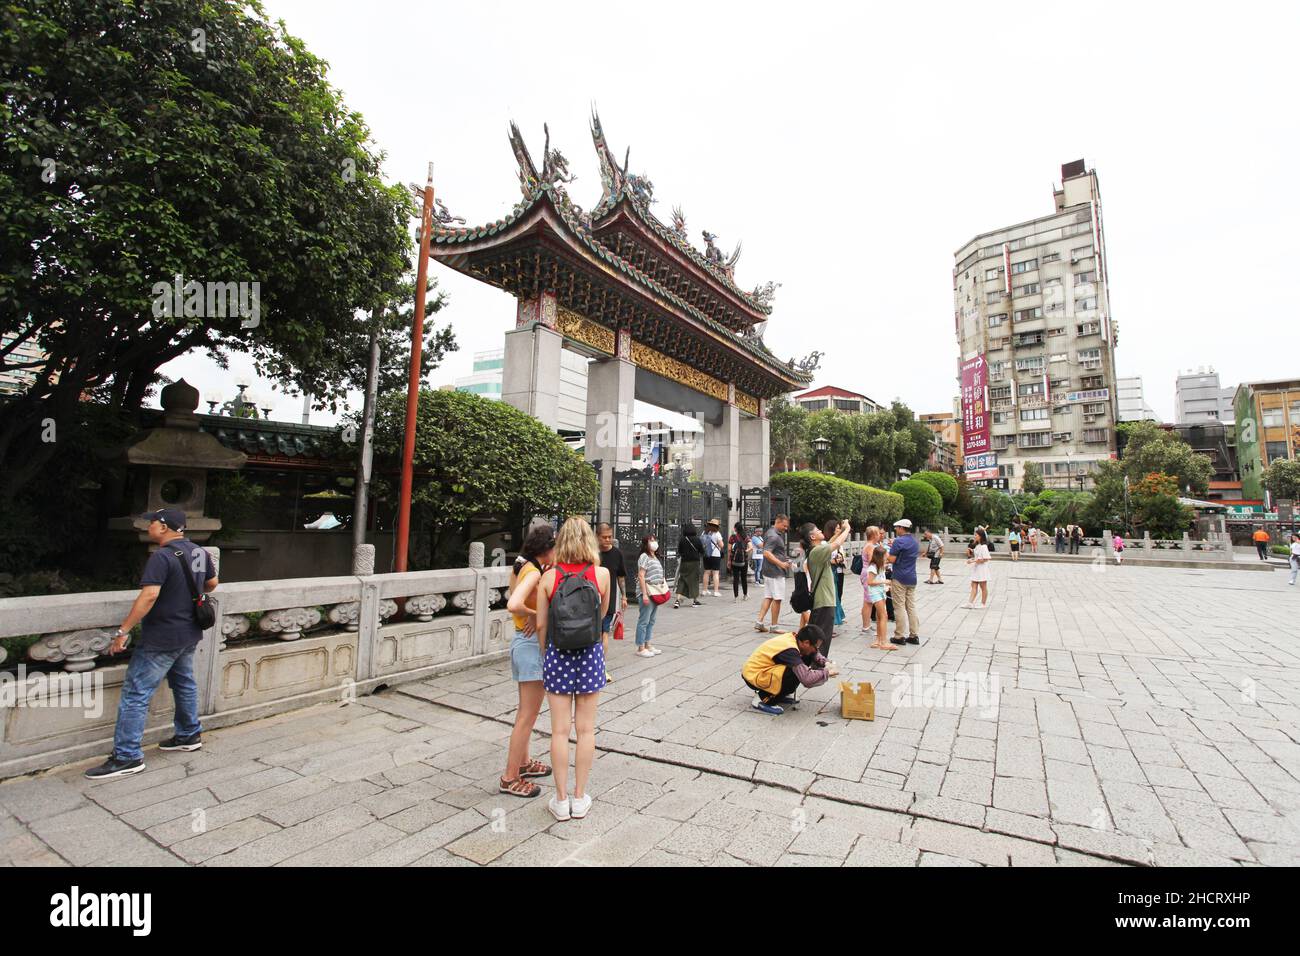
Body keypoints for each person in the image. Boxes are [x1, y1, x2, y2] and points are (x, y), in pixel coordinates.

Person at [87, 509, 216, 779]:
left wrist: (123, 630)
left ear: (165, 527)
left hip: (162, 636)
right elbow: (211, 584)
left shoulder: (162, 556)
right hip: (189, 632)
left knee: (136, 693)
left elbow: (149, 596)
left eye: (152, 523)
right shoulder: (200, 553)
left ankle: (127, 756)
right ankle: (188, 735)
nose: (149, 527)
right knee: (184, 682)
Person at [534, 516, 610, 822]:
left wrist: (546, 652)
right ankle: (580, 797)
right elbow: (601, 616)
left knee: (559, 730)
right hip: (590, 656)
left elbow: (541, 624)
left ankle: (561, 799)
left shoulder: (548, 577)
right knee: (586, 729)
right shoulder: (601, 574)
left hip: (558, 655)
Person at [500, 525, 557, 798]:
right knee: (527, 715)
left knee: (526, 712)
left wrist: (530, 614)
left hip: (523, 643)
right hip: (531, 646)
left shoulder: (522, 567)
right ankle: (510, 777)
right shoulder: (534, 572)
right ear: (548, 549)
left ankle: (523, 763)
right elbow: (514, 604)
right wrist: (536, 613)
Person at [741, 624, 838, 715]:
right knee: (793, 672)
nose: (816, 649)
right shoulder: (790, 650)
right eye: (816, 646)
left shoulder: (797, 639)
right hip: (753, 675)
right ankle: (762, 698)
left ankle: (780, 693)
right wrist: (827, 672)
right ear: (806, 642)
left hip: (763, 671)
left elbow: (815, 654)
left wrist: (826, 662)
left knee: (807, 656)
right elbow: (807, 679)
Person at [800, 517, 852, 659]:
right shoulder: (816, 551)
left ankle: (813, 663)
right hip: (823, 601)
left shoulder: (816, 549)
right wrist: (847, 529)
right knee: (822, 637)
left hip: (824, 600)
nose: (821, 531)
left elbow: (830, 542)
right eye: (817, 530)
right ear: (812, 537)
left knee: (818, 635)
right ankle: (818, 665)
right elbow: (836, 543)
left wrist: (840, 530)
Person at [595, 522, 627, 684]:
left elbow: (621, 576)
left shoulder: (617, 554)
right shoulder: (592, 553)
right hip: (591, 600)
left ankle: (601, 667)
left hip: (609, 600)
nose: (608, 540)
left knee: (603, 633)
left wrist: (624, 596)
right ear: (597, 537)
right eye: (604, 537)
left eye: (610, 537)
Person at [754, 514, 792, 632]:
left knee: (769, 597)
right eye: (784, 526)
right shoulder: (774, 536)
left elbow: (772, 552)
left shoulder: (770, 532)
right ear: (778, 522)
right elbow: (766, 553)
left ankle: (759, 622)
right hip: (775, 572)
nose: (786, 528)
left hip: (769, 571)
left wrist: (784, 559)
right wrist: (781, 564)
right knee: (777, 598)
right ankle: (774, 626)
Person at [886, 518, 921, 646]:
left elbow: (891, 559)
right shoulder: (915, 541)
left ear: (901, 528)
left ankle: (899, 635)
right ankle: (914, 635)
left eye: (897, 528)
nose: (895, 530)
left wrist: (888, 551)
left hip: (899, 577)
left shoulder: (898, 541)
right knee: (911, 606)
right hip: (912, 577)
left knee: (899, 606)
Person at [635, 534, 665, 656]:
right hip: (647, 592)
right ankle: (640, 647)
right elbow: (641, 575)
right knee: (644, 620)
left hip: (655, 592)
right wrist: (644, 594)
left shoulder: (654, 557)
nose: (654, 542)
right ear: (645, 544)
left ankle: (647, 644)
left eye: (655, 540)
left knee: (651, 620)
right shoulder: (644, 556)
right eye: (651, 541)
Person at [864, 545, 896, 651]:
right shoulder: (873, 567)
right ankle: (884, 642)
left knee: (879, 616)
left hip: (880, 591)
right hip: (875, 593)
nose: (886, 559)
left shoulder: (880, 566)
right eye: (885, 557)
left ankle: (878, 639)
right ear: (879, 557)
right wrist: (884, 582)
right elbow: (870, 582)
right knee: (884, 616)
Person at [859, 524, 884, 633]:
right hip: (869, 574)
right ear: (874, 535)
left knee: (868, 601)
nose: (880, 535)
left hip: (868, 573)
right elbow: (871, 561)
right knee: (868, 601)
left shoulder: (871, 545)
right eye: (878, 533)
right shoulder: (870, 546)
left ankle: (867, 625)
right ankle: (866, 626)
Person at [674, 521, 704, 608]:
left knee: (682, 580)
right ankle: (695, 601)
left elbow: (679, 551)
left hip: (684, 562)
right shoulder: (697, 539)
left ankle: (677, 600)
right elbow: (702, 551)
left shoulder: (682, 539)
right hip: (694, 563)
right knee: (694, 581)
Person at [962, 528, 991, 609]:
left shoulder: (984, 546)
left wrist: (973, 561)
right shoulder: (978, 545)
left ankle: (983, 603)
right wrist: (972, 554)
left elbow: (986, 558)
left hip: (982, 569)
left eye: (976, 535)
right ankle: (970, 603)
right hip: (976, 568)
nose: (974, 536)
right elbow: (977, 556)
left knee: (983, 586)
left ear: (981, 536)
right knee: (973, 585)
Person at [728, 522, 753, 601]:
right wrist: (746, 551)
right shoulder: (745, 536)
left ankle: (735, 597)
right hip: (744, 561)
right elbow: (751, 547)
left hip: (734, 561)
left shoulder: (732, 537)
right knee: (743, 578)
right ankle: (745, 595)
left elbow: (729, 549)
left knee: (735, 579)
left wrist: (729, 561)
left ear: (735, 528)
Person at [702, 518, 725, 596]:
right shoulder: (717, 533)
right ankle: (716, 591)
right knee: (715, 573)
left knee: (706, 572)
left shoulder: (704, 532)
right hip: (715, 555)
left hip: (706, 555)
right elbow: (721, 545)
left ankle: (704, 590)